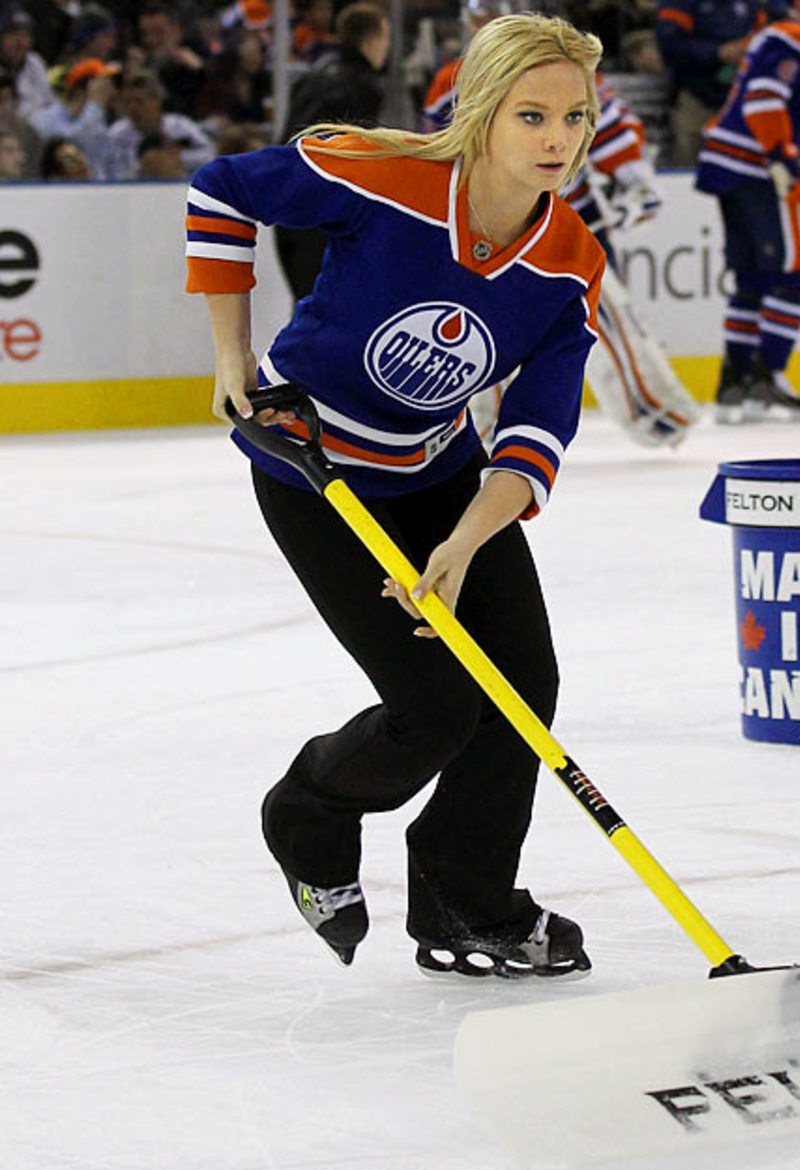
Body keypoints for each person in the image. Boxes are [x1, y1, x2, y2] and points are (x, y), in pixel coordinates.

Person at [185, 12, 605, 978]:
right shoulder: (390, 182)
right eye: (533, 115)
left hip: (443, 478)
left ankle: (468, 902)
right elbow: (221, 191)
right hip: (316, 475)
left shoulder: (570, 259)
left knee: (522, 689)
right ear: (484, 111)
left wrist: (461, 543)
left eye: (575, 119)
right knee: (436, 709)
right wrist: (229, 351)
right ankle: (310, 811)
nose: (557, 139)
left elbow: (537, 427)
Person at [423, 0, 696, 449]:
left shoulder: (559, 69)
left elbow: (607, 124)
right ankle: (478, 428)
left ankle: (654, 408)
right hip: (487, 226)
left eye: (490, 16)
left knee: (601, 316)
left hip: (563, 222)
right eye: (476, 18)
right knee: (477, 324)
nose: (481, 26)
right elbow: (446, 145)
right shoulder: (452, 79)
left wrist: (633, 178)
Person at [695, 0, 800, 424]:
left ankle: (733, 383)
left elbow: (778, 110)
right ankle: (767, 373)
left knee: (753, 278)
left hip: (729, 163)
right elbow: (764, 102)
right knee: (798, 269)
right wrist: (782, 160)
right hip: (756, 166)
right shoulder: (799, 36)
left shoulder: (771, 36)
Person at [274, 0, 390, 300]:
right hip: (321, 210)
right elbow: (357, 156)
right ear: (371, 40)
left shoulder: (313, 76)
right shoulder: (363, 85)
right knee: (326, 308)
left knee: (306, 306)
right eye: (385, 38)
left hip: (286, 204)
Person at [654, 0, 758, 166]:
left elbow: (766, 35)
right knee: (685, 171)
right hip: (695, 99)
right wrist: (716, 53)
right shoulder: (679, 3)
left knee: (739, 170)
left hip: (739, 103)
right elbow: (670, 48)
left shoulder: (750, 4)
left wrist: (748, 49)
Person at [108, 70, 214, 179]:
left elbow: (210, 155)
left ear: (157, 100)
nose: (133, 108)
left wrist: (178, 157)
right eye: (128, 102)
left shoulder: (180, 126)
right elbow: (110, 167)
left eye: (139, 101)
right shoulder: (117, 134)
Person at [30, 56, 119, 178]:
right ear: (81, 90)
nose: (112, 91)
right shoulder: (46, 119)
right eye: (103, 86)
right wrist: (94, 106)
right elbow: (74, 147)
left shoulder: (98, 122)